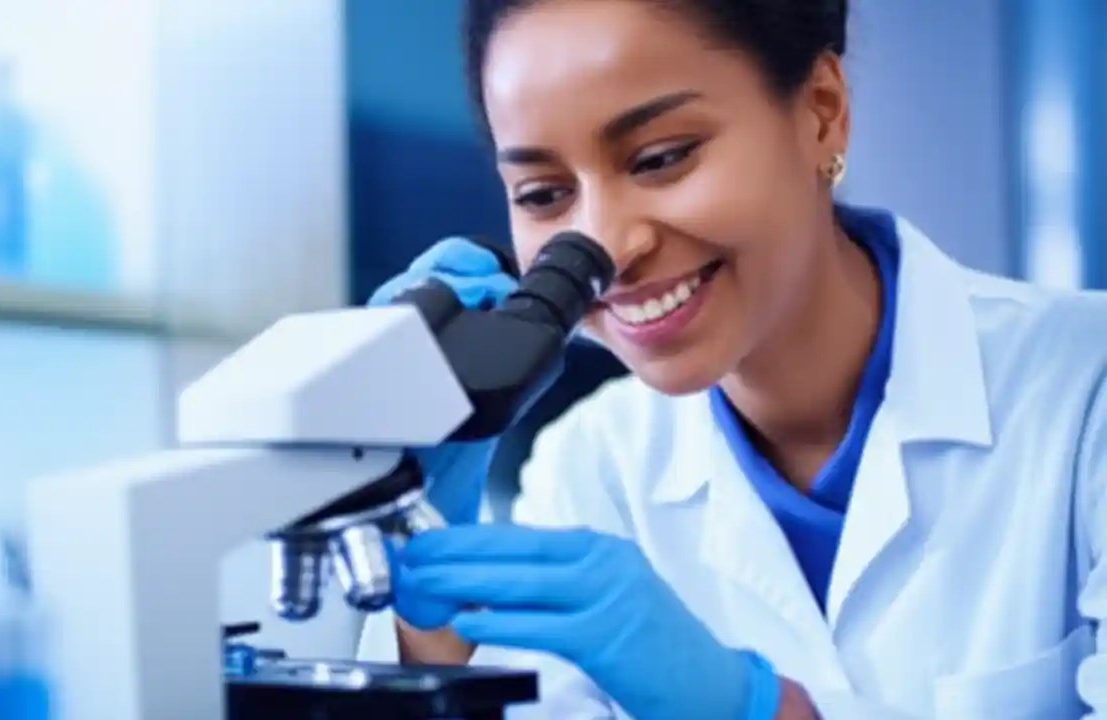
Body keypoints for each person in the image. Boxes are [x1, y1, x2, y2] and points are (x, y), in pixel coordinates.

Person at [359, 0, 1107, 717]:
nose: (606, 248)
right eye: (544, 194)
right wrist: (424, 578)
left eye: (661, 159)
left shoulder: (1084, 390)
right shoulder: (590, 468)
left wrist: (759, 711)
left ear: (821, 110)